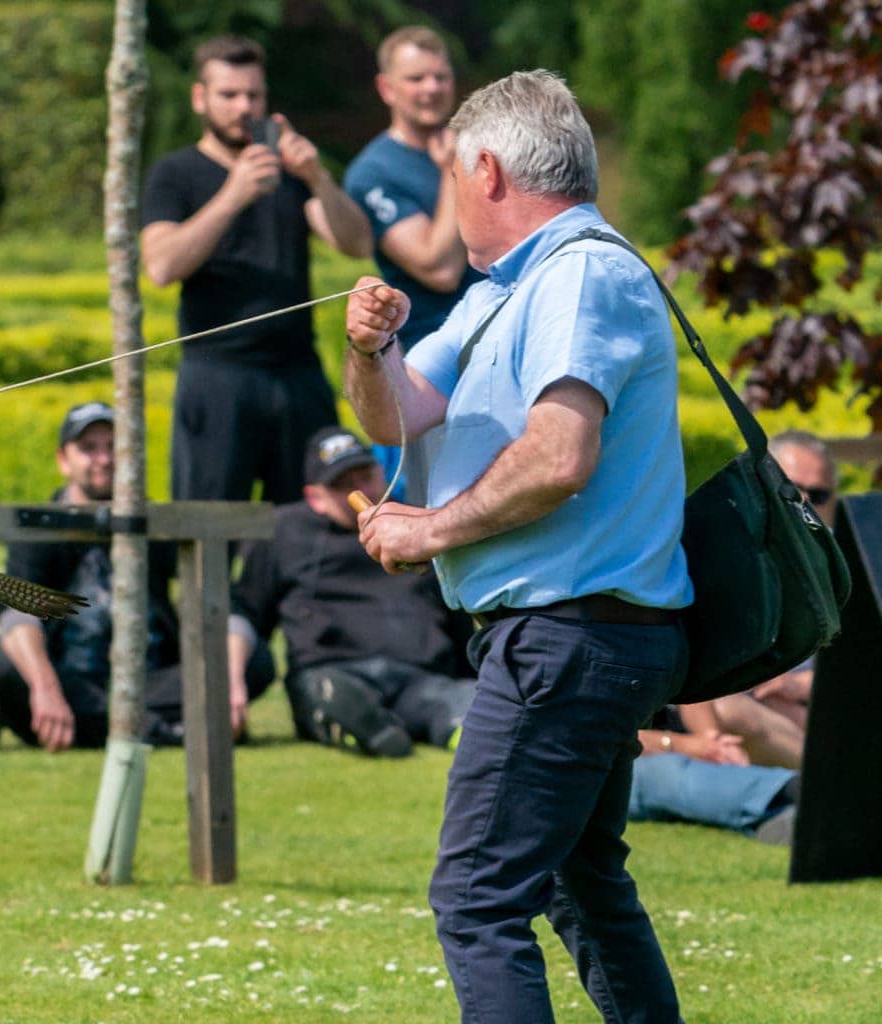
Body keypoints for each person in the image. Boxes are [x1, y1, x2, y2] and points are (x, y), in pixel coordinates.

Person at [344, 71, 692, 1020]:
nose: (448, 197)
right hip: (566, 634)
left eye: (452, 175)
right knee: (584, 889)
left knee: (476, 900)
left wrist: (430, 529)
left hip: (570, 633)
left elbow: (559, 455)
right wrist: (368, 348)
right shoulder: (511, 287)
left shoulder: (584, 271)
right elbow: (402, 412)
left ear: (486, 170)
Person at [140, 35, 370, 505]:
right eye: (229, 95)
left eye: (254, 95)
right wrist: (234, 193)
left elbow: (356, 243)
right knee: (206, 527)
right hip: (218, 373)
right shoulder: (175, 173)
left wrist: (317, 177)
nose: (244, 106)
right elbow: (161, 266)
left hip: (298, 373)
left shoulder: (289, 171)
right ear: (200, 98)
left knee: (313, 523)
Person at [0, 401, 274, 751]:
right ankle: (162, 729)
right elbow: (16, 616)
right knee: (2, 661)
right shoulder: (40, 527)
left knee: (252, 661)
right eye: (89, 449)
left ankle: (104, 730)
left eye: (114, 447)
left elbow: (221, 600)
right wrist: (46, 687)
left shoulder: (156, 522)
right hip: (69, 680)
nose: (104, 459)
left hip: (151, 680)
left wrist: (232, 682)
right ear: (63, 460)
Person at [229, 426, 474, 756]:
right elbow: (243, 611)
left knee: (468, 705)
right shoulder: (284, 531)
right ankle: (377, 734)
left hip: (421, 675)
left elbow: (453, 607)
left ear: (381, 473)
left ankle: (458, 729)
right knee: (330, 695)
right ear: (314, 496)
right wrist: (231, 682)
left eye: (366, 476)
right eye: (343, 484)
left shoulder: (412, 522)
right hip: (335, 671)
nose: (360, 489)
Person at [341, 26, 486, 505]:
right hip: (428, 374)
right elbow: (437, 266)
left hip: (492, 357)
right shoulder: (373, 172)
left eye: (441, 77)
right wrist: (453, 176)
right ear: (387, 88)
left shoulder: (476, 149)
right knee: (441, 512)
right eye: (416, 78)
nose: (431, 88)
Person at [673, 430, 835, 766]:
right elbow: (691, 652)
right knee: (729, 708)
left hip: (820, 707)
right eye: (792, 488)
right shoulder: (730, 556)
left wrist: (797, 685)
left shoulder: (850, 565)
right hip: (736, 700)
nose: (803, 501)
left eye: (817, 494)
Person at [631, 714, 799, 846]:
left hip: (676, 748)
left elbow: (691, 686)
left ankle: (779, 817)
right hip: (623, 761)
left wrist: (712, 741)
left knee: (732, 708)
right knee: (663, 772)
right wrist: (683, 744)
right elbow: (610, 731)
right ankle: (793, 791)